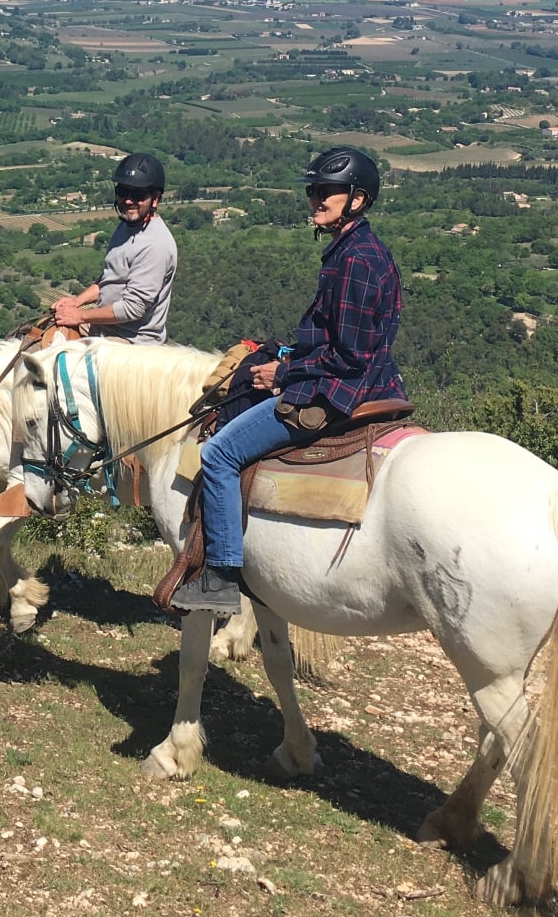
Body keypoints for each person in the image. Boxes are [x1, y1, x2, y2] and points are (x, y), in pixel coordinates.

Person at [171, 145, 406, 614]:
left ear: (357, 200)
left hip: (340, 390)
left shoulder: (355, 261)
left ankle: (220, 576)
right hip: (365, 380)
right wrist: (283, 353)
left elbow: (350, 354)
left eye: (327, 191)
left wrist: (284, 371)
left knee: (218, 455)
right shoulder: (354, 249)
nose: (316, 198)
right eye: (313, 190)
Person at [52, 151, 179, 343]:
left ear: (156, 199)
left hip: (131, 340)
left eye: (137, 194)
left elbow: (133, 308)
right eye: (123, 192)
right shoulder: (127, 226)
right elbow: (109, 280)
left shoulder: (155, 245)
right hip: (106, 328)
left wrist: (80, 316)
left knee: (72, 367)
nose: (128, 200)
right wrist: (76, 302)